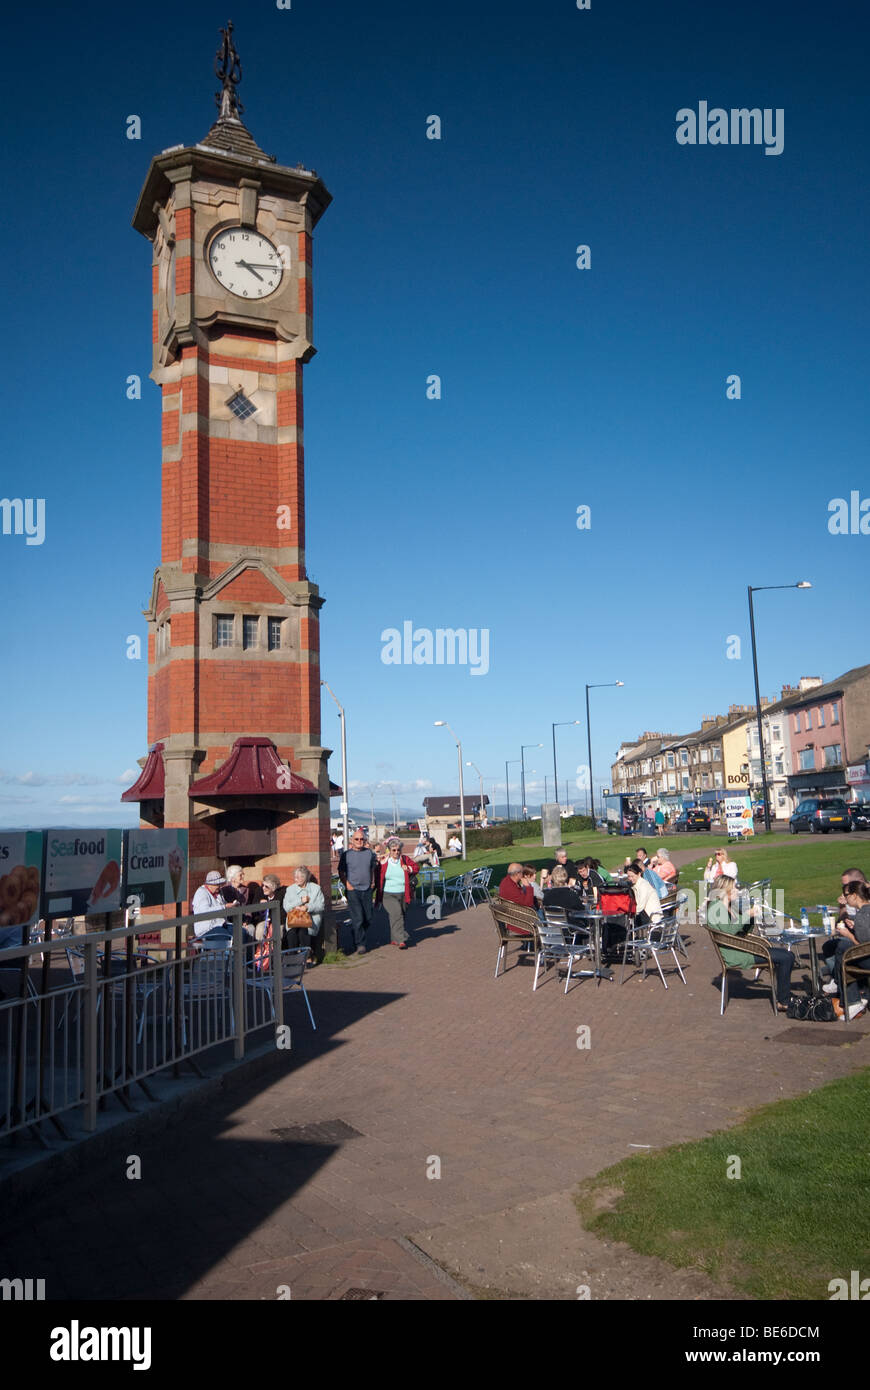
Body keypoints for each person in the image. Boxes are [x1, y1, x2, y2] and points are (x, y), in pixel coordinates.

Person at [707, 873, 795, 1011]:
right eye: (734, 887)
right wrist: (748, 915)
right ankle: (783, 1001)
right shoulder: (717, 908)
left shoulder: (728, 907)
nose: (737, 890)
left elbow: (743, 930)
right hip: (737, 953)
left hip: (742, 947)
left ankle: (783, 996)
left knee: (787, 956)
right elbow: (729, 932)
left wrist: (752, 916)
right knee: (786, 957)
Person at [820, 880, 870, 1020]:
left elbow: (862, 946)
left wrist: (848, 934)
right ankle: (857, 994)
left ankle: (851, 998)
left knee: (843, 949)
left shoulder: (862, 915)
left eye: (847, 895)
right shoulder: (865, 913)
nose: (845, 899)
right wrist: (855, 927)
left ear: (855, 896)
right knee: (842, 950)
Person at [337, 829, 377, 955]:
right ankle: (360, 944)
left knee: (368, 918)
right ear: (352, 841)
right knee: (358, 917)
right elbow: (341, 871)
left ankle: (356, 931)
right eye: (357, 839)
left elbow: (372, 869)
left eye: (362, 839)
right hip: (353, 890)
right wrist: (347, 884)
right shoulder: (346, 855)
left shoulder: (369, 854)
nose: (359, 841)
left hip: (367, 889)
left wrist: (372, 882)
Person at [375, 838, 418, 949]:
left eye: (398, 850)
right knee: (396, 913)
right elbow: (376, 873)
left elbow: (416, 868)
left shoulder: (404, 859)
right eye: (393, 850)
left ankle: (394, 938)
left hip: (404, 893)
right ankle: (402, 940)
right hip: (388, 894)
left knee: (399, 916)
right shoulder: (384, 862)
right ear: (389, 850)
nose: (396, 852)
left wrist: (408, 869)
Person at [283, 866, 326, 957]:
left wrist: (307, 907)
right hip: (293, 919)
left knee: (303, 931)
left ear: (305, 877)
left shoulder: (316, 889)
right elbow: (286, 907)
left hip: (311, 919)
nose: (296, 879)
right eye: (295, 877)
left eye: (299, 877)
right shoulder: (290, 889)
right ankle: (293, 957)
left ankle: (307, 957)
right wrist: (300, 901)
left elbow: (321, 906)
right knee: (292, 933)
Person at [191, 870, 233, 940]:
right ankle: (226, 951)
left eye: (220, 884)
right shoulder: (201, 893)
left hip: (220, 924)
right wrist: (224, 907)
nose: (219, 886)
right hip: (206, 929)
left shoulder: (219, 892)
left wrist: (232, 907)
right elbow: (205, 912)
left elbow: (224, 905)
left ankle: (242, 951)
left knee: (241, 932)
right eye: (217, 884)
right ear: (209, 884)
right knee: (224, 936)